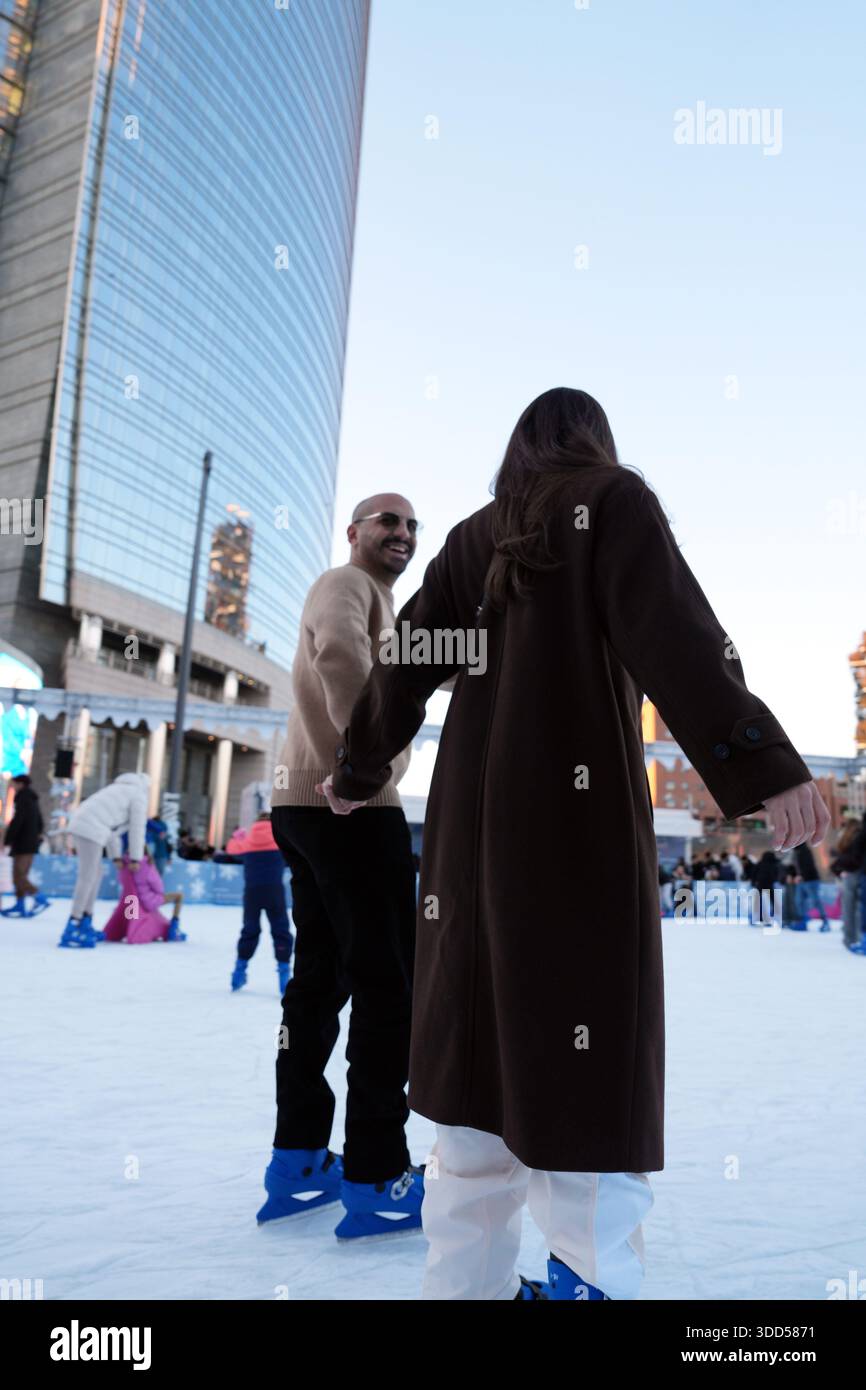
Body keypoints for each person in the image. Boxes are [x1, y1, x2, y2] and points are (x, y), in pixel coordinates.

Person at [320, 386, 830, 1300]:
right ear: (592, 441)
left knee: (473, 1089)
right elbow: (677, 638)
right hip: (574, 834)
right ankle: (586, 1277)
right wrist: (762, 765)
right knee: (584, 1050)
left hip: (471, 843)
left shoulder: (473, 539)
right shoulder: (612, 502)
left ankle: (463, 1286)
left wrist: (356, 773)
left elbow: (402, 674)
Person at [256, 493, 424, 1241]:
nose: (404, 532)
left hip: (302, 808)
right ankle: (376, 1173)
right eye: (388, 521)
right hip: (350, 805)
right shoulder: (346, 584)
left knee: (318, 983)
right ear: (354, 533)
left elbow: (418, 672)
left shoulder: (381, 603)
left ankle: (298, 1161)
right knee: (388, 985)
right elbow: (336, 655)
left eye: (414, 524)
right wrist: (362, 767)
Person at [59, 771, 151, 948]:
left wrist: (116, 856)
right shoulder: (138, 795)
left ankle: (86, 920)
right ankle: (73, 924)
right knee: (88, 876)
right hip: (90, 830)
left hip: (83, 825)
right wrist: (135, 859)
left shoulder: (116, 789)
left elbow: (111, 829)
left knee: (96, 874)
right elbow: (137, 829)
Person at [216, 812, 293, 993]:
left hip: (252, 893)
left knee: (250, 930)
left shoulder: (248, 840)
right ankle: (284, 975)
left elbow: (231, 850)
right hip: (274, 891)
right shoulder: (280, 838)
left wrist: (238, 836)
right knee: (280, 930)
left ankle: (239, 971)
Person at [100, 849, 186, 944]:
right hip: (148, 900)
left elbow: (121, 881)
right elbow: (158, 887)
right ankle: (174, 927)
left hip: (131, 899)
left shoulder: (124, 865)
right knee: (179, 896)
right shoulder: (146, 865)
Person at [1, 773, 49, 917]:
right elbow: (40, 821)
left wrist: (7, 840)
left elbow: (17, 821)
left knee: (19, 876)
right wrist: (38, 834)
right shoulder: (32, 799)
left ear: (21, 784)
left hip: (23, 843)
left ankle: (39, 897)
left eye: (14, 784)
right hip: (30, 843)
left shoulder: (23, 798)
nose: (12, 787)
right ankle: (20, 904)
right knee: (21, 874)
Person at [829, 811, 866, 953]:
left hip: (848, 872)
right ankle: (853, 937)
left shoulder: (845, 835)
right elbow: (854, 854)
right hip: (855, 871)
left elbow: (841, 853)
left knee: (849, 907)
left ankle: (850, 938)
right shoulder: (858, 834)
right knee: (856, 908)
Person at [794, 841, 830, 932]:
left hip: (811, 880)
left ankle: (825, 922)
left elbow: (808, 866)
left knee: (816, 901)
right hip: (803, 880)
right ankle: (802, 922)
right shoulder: (797, 852)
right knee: (800, 901)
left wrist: (801, 875)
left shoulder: (804, 851)